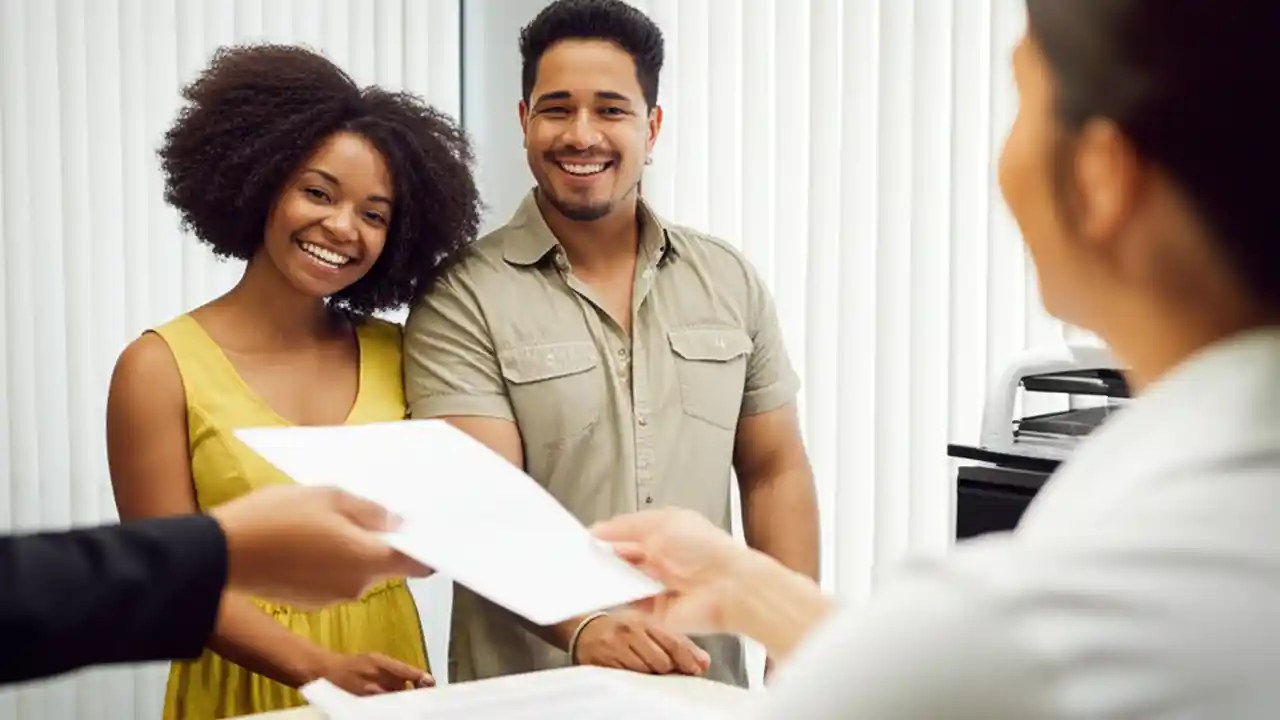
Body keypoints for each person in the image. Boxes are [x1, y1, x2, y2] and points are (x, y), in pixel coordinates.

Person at [595, 1, 1280, 717]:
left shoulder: (1017, 620)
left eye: (1021, 101)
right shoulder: (1178, 528)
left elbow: (984, 665)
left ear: (1099, 178)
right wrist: (751, 589)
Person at [403, 0, 818, 687]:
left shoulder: (728, 280)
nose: (582, 134)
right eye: (557, 109)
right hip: (531, 692)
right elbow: (483, 504)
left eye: (611, 109)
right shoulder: (462, 297)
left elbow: (775, 470)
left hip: (702, 690)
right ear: (524, 121)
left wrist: (794, 633)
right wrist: (585, 626)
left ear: (651, 128)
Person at [105, 44, 480, 718]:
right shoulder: (158, 368)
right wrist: (316, 668)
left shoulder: (402, 354)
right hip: (245, 685)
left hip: (388, 670)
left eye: (374, 214)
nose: (341, 227)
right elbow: (169, 578)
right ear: (261, 181)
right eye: (318, 192)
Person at [2, 485, 429, 685]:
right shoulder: (162, 364)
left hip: (392, 658)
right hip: (245, 674)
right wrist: (225, 548)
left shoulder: (403, 353)